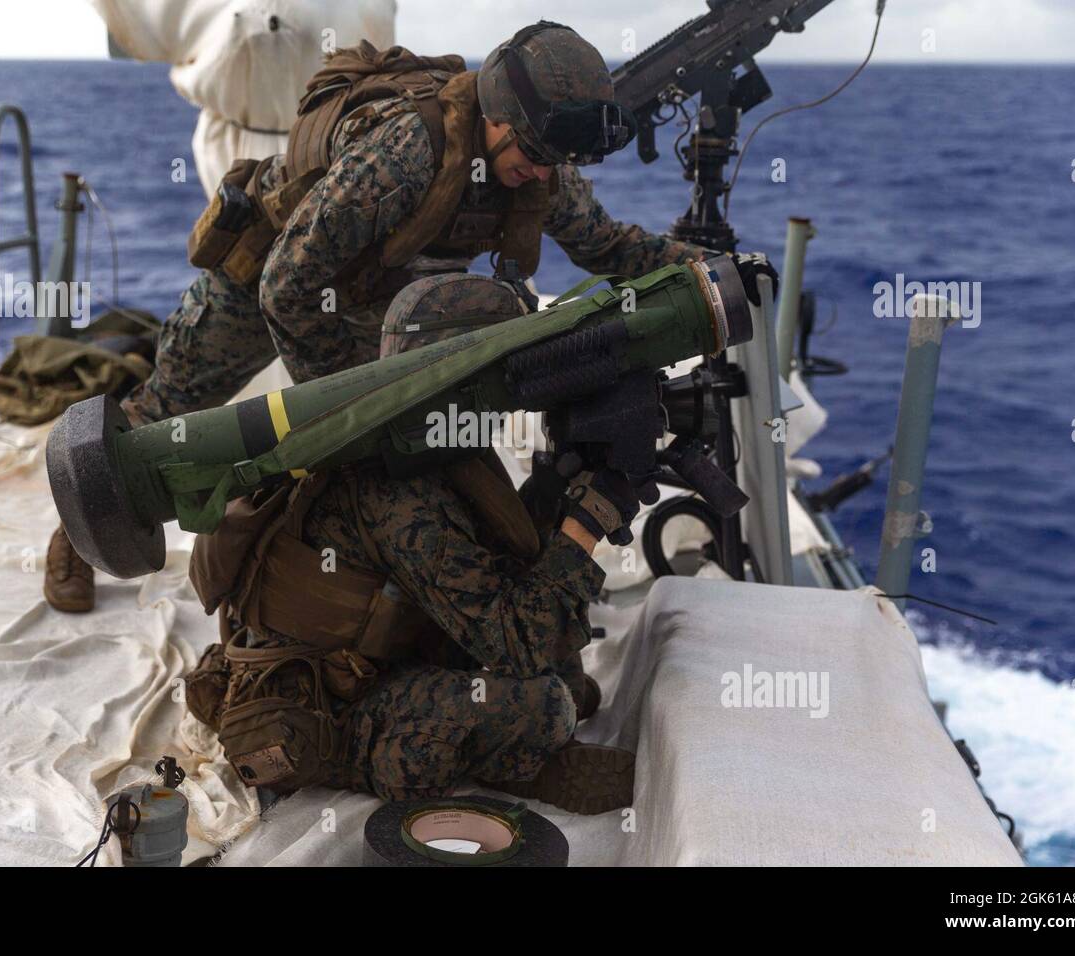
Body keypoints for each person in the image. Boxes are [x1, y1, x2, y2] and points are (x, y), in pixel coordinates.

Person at [45, 20, 766, 611]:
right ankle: (73, 541)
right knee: (168, 408)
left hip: (375, 294)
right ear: (497, 117)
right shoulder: (407, 153)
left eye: (555, 162)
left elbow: (605, 244)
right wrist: (342, 416)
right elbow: (287, 285)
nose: (542, 176)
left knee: (428, 457)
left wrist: (702, 268)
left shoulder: (539, 163)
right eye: (535, 156)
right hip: (267, 271)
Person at [182, 273, 650, 813]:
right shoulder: (397, 488)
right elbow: (515, 639)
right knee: (543, 704)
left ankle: (502, 749)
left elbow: (488, 561)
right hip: (313, 701)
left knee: (567, 675)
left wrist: (555, 489)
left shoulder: (418, 434)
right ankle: (392, 756)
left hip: (368, 653)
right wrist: (587, 523)